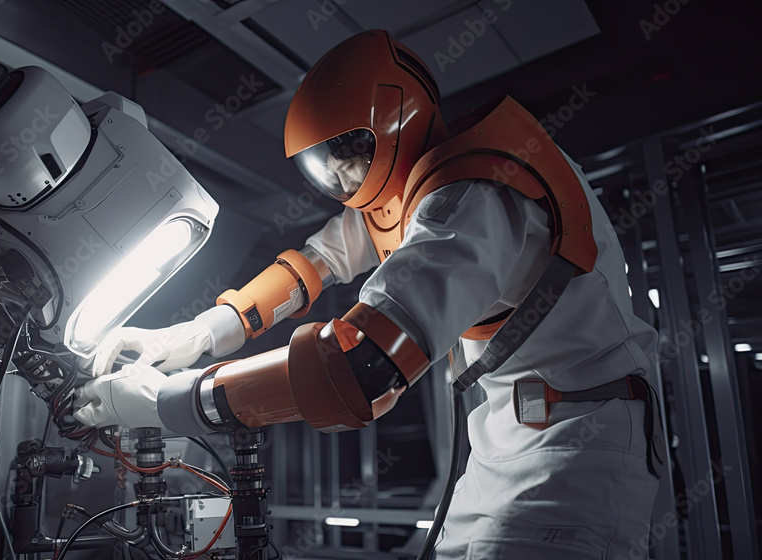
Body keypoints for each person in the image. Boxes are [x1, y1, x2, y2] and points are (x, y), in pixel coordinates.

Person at [73, 29, 662, 559]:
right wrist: (195, 334)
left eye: (350, 155)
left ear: (396, 121)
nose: (344, 182)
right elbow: (316, 261)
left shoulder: (475, 198)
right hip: (501, 445)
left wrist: (167, 401)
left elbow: (361, 369)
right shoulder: (422, 187)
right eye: (327, 166)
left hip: (579, 449)